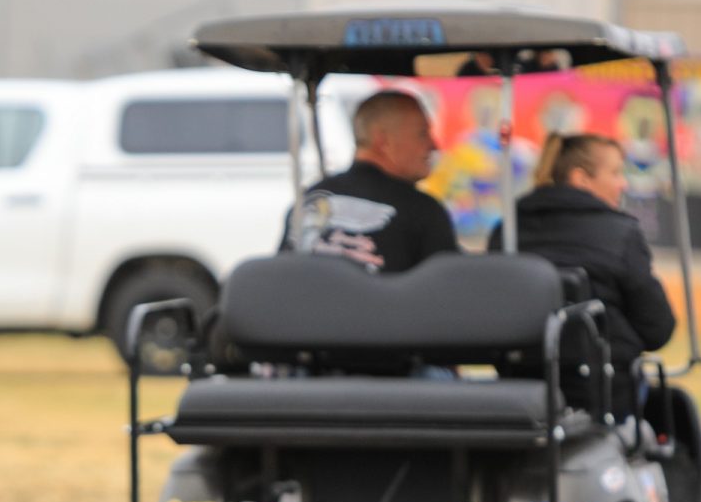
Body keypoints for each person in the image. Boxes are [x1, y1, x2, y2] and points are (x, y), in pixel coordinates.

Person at [491, 133, 677, 420]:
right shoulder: (621, 234)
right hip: (605, 399)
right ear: (581, 179)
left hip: (518, 391)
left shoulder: (506, 232)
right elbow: (658, 328)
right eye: (615, 173)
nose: (623, 183)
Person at [283, 90, 458, 273]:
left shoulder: (308, 201)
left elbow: (278, 285)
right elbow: (449, 292)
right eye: (422, 134)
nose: (434, 145)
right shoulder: (422, 211)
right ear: (383, 141)